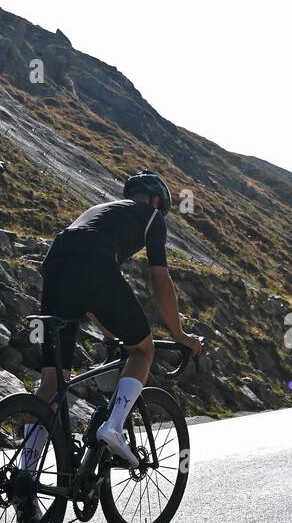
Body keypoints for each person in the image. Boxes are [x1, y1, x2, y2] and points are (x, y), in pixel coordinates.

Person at [21, 170, 202, 469]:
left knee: (52, 382)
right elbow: (159, 278)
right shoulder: (151, 217)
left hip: (55, 262)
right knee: (143, 350)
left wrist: (111, 335)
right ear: (157, 201)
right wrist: (179, 334)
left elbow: (90, 299)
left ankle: (24, 477)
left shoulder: (100, 212)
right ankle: (114, 427)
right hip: (94, 259)